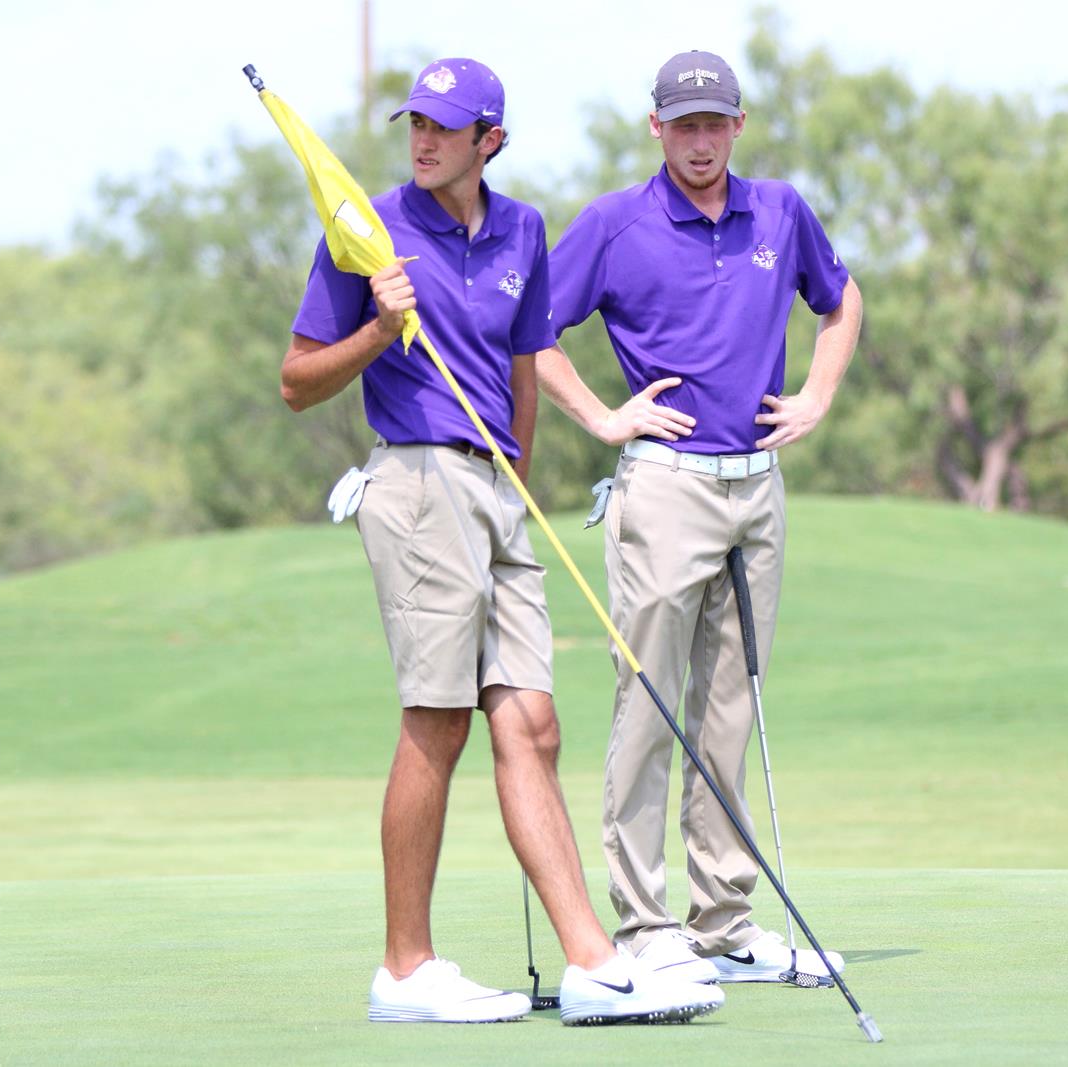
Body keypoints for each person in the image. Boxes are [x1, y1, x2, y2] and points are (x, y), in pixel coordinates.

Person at [281, 56, 723, 1027]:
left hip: (493, 489)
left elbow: (526, 361)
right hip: (414, 478)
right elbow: (297, 378)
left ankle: (591, 961)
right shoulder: (369, 233)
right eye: (414, 125)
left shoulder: (522, 228)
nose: (422, 140)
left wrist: (518, 480)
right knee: (437, 719)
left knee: (532, 723)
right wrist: (376, 328)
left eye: (444, 127)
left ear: (492, 140)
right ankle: (405, 965)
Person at [537, 49, 863, 986]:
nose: (700, 140)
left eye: (714, 123)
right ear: (657, 129)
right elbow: (533, 334)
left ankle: (724, 920)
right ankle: (644, 927)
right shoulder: (615, 223)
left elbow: (840, 306)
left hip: (757, 486)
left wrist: (816, 396)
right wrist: (603, 416)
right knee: (648, 702)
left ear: (738, 124)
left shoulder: (781, 211)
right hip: (666, 486)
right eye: (683, 125)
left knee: (730, 709)